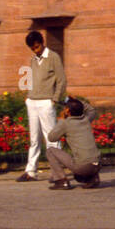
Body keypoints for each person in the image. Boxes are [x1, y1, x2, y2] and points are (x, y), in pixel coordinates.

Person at [20, 30, 66, 182]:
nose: (35, 50)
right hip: (32, 101)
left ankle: (57, 172)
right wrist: (28, 96)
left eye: (37, 47)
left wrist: (54, 100)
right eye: (32, 48)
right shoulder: (33, 59)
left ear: (42, 42)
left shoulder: (53, 57)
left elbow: (61, 80)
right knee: (34, 138)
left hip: (46, 101)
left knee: (51, 138)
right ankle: (31, 171)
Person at [46, 97, 102, 190]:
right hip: (97, 165)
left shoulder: (65, 123)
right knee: (78, 177)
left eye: (65, 108)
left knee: (50, 151)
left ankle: (61, 181)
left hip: (83, 167)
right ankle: (92, 178)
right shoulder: (86, 120)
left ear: (67, 111)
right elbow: (91, 109)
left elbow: (51, 138)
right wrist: (77, 102)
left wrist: (61, 121)